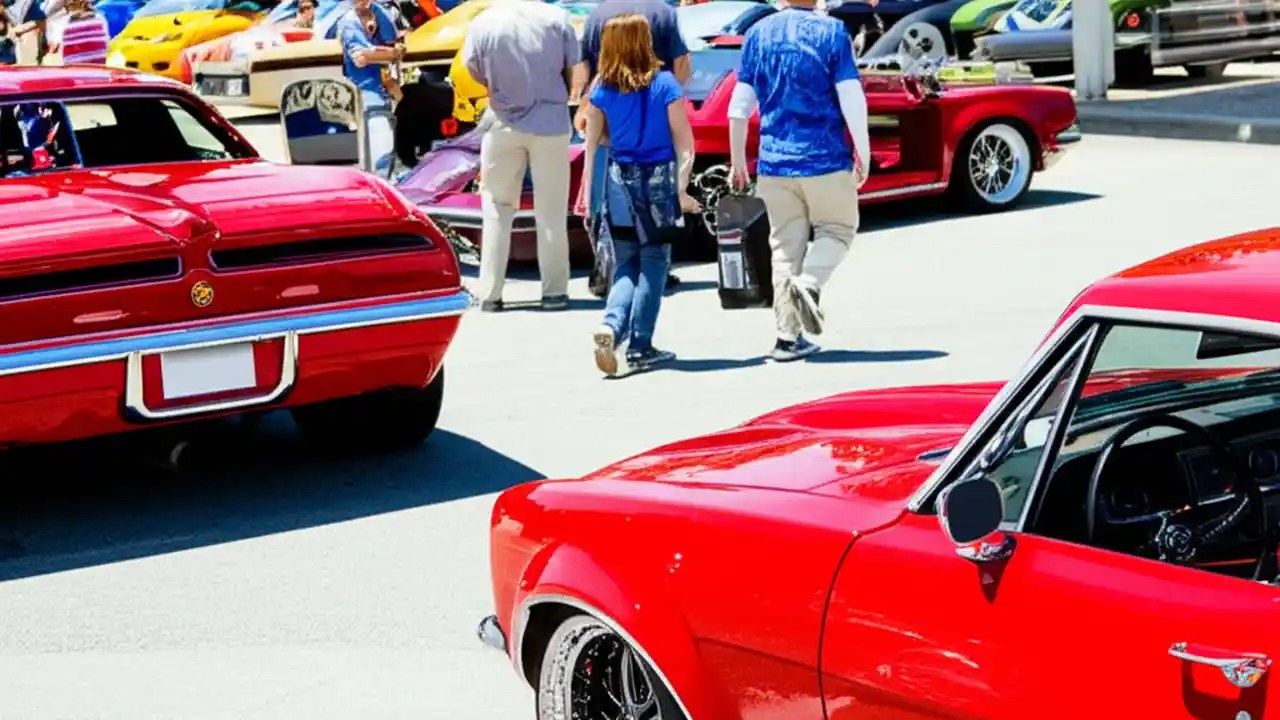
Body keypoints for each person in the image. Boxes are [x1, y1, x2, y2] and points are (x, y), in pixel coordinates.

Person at [727, 0, 870, 362]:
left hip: (773, 163)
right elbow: (852, 98)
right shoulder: (833, 32)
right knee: (838, 230)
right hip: (824, 157)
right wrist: (863, 152)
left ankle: (786, 338)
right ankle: (810, 284)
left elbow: (739, 105)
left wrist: (737, 159)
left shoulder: (756, 34)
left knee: (783, 249)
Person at [580, 13, 698, 377]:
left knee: (625, 262)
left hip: (618, 181)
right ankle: (641, 346)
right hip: (659, 179)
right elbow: (685, 146)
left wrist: (587, 193)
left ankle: (612, 326)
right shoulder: (665, 84)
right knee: (655, 263)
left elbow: (591, 146)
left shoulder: (601, 90)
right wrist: (681, 189)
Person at [459, 0, 579, 312]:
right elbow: (572, 70)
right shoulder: (557, 18)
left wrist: (500, 89)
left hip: (502, 120)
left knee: (497, 208)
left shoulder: (483, 22)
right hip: (550, 122)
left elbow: (473, 69)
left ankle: (491, 292)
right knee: (551, 210)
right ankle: (554, 291)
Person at [571, 0, 690, 295]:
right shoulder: (663, 12)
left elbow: (584, 67)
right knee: (656, 191)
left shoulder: (596, 13)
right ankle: (657, 265)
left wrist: (584, 104)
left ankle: (606, 263)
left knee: (601, 189)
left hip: (606, 108)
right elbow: (681, 65)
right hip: (654, 109)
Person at [337, 0, 402, 179]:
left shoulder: (377, 12)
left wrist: (385, 51)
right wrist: (390, 54)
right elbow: (360, 57)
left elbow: (393, 40)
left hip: (383, 92)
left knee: (387, 152)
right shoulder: (349, 22)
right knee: (378, 153)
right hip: (366, 96)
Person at [59, 0, 108, 65]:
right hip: (98, 68)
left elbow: (65, 56)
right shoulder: (100, 19)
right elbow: (105, 47)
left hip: (75, 69)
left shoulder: (67, 22)